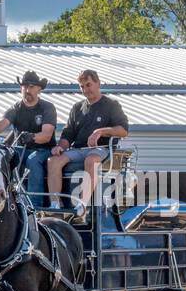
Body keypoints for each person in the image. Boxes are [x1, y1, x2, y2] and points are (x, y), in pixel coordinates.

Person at [46, 69, 129, 211]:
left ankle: (82, 204)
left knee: (91, 160)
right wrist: (60, 147)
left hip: (101, 149)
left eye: (88, 85)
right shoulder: (77, 108)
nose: (85, 90)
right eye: (82, 86)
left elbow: (123, 130)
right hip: (77, 150)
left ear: (98, 83)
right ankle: (56, 204)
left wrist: (101, 131)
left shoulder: (111, 105)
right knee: (52, 161)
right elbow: (68, 134)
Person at [0, 71, 56, 210]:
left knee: (33, 160)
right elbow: (3, 123)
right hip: (21, 150)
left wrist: (32, 137)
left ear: (39, 89)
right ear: (20, 88)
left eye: (31, 87)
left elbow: (47, 135)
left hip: (44, 150)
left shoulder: (47, 108)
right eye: (24, 87)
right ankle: (3, 197)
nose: (27, 90)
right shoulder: (16, 108)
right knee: (2, 157)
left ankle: (35, 205)